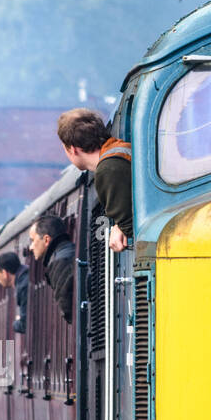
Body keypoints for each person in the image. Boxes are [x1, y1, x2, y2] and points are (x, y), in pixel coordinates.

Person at [56, 107, 132, 252]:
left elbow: (131, 226)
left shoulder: (108, 168)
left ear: (73, 149)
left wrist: (121, 228)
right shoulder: (120, 150)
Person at [29, 214, 75, 324]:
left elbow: (69, 310)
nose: (31, 247)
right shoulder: (70, 252)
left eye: (33, 240)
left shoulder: (60, 263)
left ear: (46, 240)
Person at [0, 248, 29, 333]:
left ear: (5, 273)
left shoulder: (23, 287)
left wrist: (16, 323)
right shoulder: (26, 276)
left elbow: (24, 325)